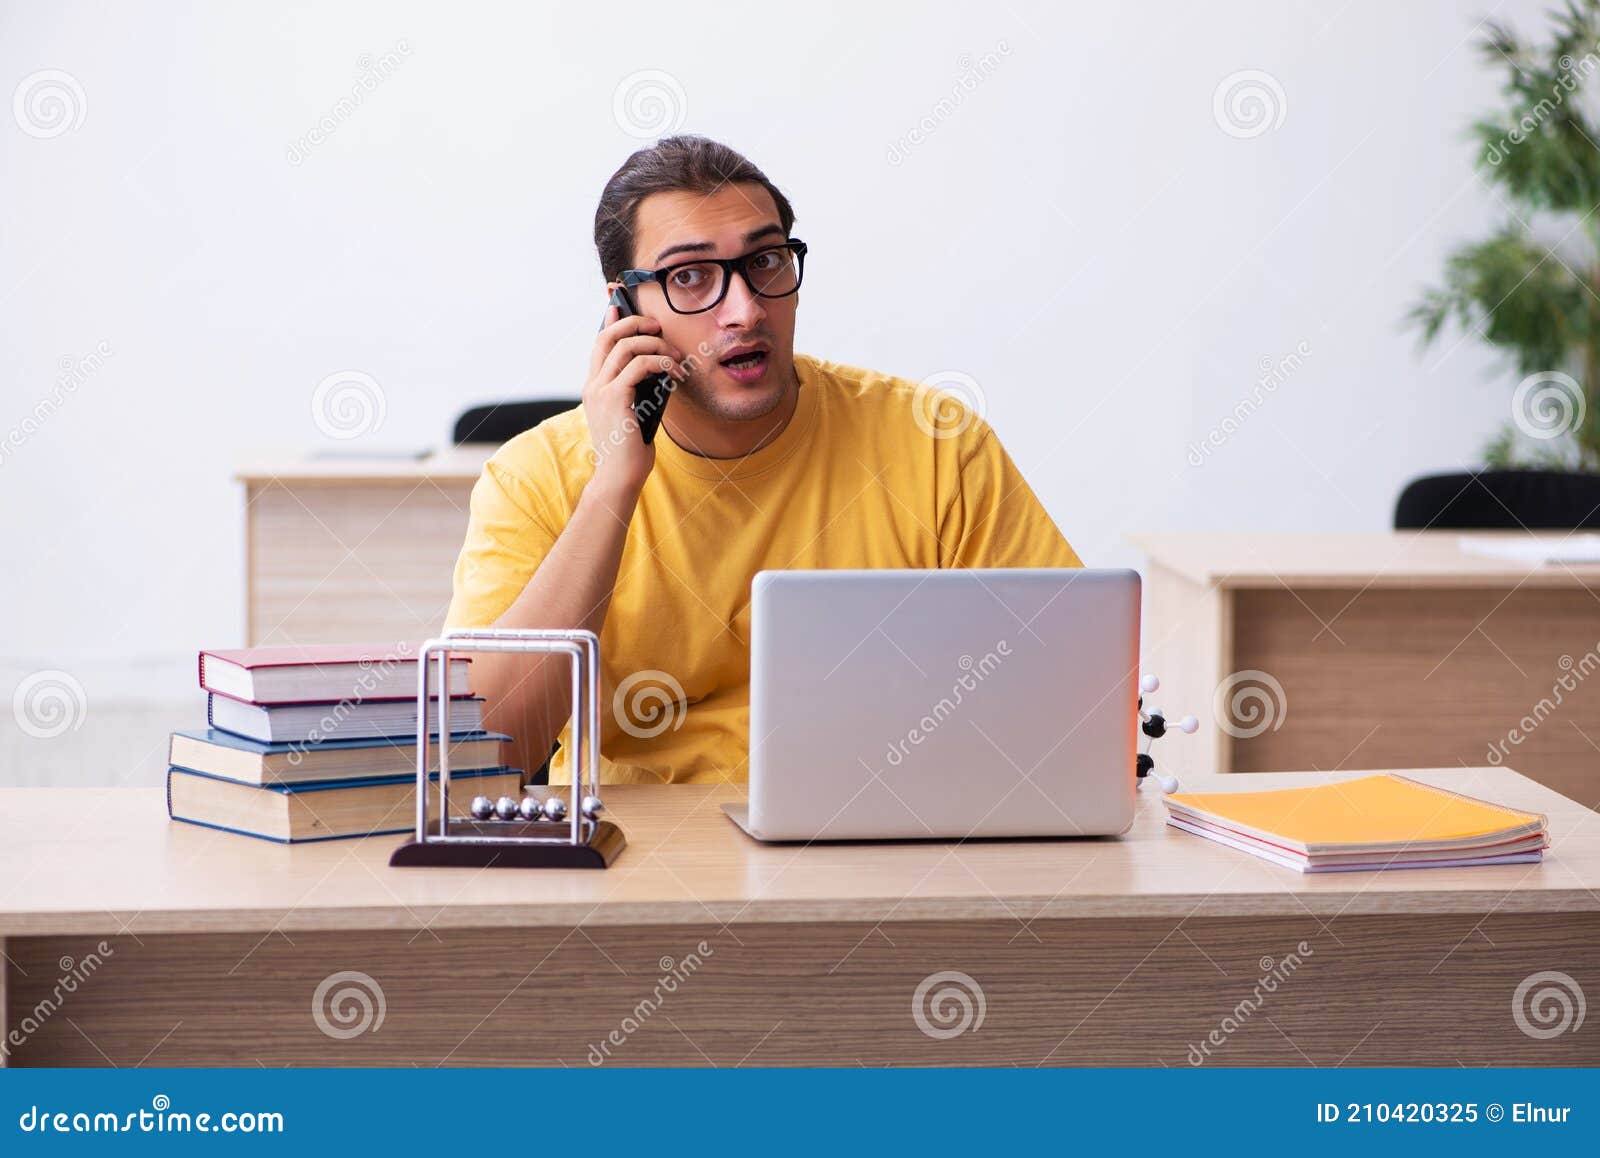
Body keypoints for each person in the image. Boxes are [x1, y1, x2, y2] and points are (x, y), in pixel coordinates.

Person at [444, 135, 1081, 785]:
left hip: (880, 828)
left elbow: (1073, 680)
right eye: (689, 276)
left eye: (767, 261)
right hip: (644, 856)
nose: (745, 311)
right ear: (625, 309)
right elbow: (487, 754)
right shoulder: (535, 476)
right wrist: (615, 480)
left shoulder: (937, 444)